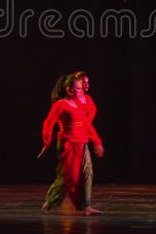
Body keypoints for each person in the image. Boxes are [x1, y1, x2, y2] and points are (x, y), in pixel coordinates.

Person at [41, 73, 105, 215]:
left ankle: (86, 206)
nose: (82, 90)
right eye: (78, 88)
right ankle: (51, 201)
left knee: (88, 172)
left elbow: (87, 126)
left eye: (82, 88)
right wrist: (47, 140)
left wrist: (97, 142)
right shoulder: (61, 104)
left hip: (82, 143)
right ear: (70, 90)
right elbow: (48, 123)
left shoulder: (78, 105)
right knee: (69, 177)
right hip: (68, 144)